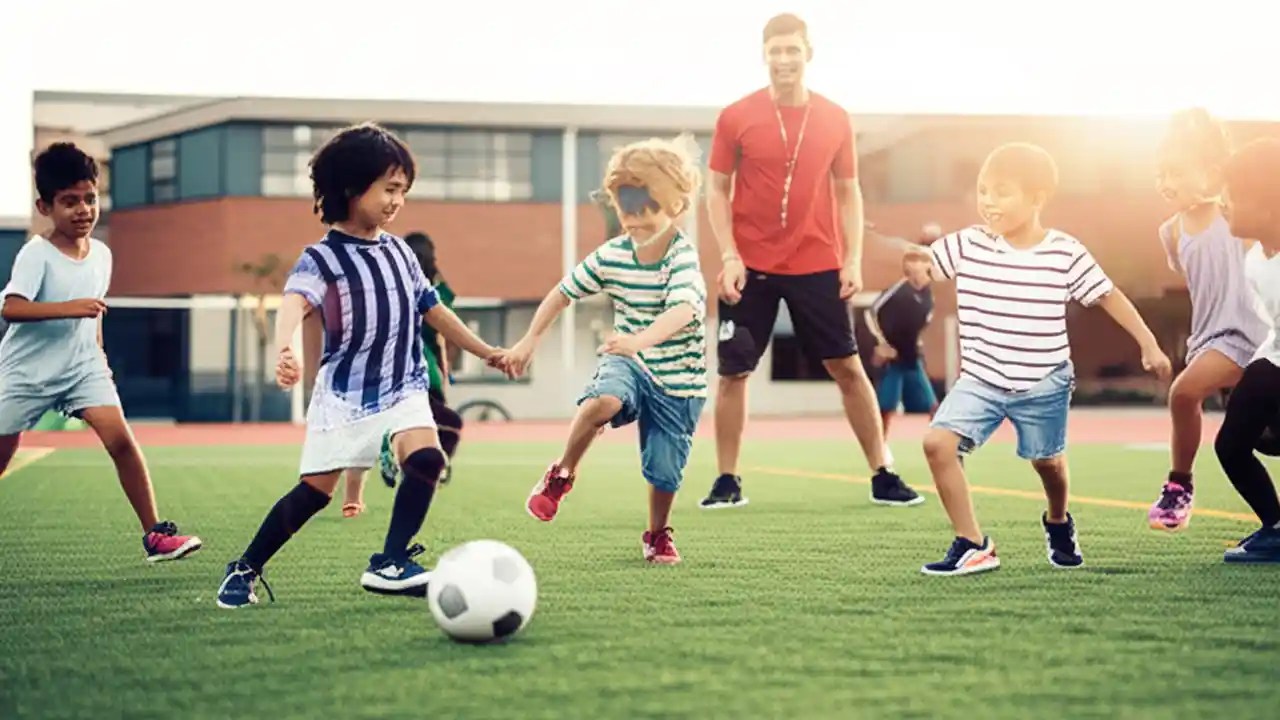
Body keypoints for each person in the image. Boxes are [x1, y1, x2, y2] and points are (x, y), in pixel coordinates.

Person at [215, 123, 508, 609]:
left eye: (404, 192)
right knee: (314, 494)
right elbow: (294, 302)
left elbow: (434, 311)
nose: (398, 201)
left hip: (405, 386)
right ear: (351, 187)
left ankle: (391, 562)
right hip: (345, 395)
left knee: (429, 460)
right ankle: (245, 567)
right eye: (389, 189)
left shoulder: (401, 254)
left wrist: (486, 351)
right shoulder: (322, 257)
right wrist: (283, 348)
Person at [915, 142, 1172, 577]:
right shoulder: (967, 244)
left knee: (1048, 464)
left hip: (1043, 383)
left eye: (1001, 192)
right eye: (982, 190)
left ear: (1037, 198)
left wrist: (1148, 343)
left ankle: (1058, 521)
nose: (988, 201)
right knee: (937, 444)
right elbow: (920, 263)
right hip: (981, 378)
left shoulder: (1063, 252)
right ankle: (973, 544)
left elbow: (1108, 296)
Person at [702, 12, 921, 510]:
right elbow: (715, 190)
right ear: (765, 56)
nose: (783, 60)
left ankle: (883, 472)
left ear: (808, 53)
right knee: (734, 372)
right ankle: (727, 480)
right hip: (750, 266)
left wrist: (853, 259)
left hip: (817, 263)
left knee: (847, 367)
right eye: (775, 51)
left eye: (792, 50)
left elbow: (849, 192)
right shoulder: (735, 117)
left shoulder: (835, 118)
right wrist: (729, 254)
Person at [500, 135, 706, 565]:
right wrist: (529, 339)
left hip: (678, 380)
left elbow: (685, 310)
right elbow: (561, 293)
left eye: (646, 212)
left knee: (666, 473)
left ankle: (656, 534)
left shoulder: (682, 258)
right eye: (625, 212)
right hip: (627, 361)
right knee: (604, 400)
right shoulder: (612, 255)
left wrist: (640, 339)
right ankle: (561, 473)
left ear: (676, 207)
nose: (633, 222)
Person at [0, 142, 201, 563]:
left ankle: (155, 535)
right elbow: (11, 307)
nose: (82, 210)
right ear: (44, 206)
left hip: (82, 368)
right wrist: (70, 308)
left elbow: (95, 316)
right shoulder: (37, 254)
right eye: (69, 201)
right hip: (25, 374)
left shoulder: (103, 255)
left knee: (122, 443)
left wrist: (98, 358)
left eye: (89, 199)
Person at [1146, 109, 1267, 532]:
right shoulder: (1171, 232)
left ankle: (1179, 486)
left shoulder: (1235, 217)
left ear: (1211, 174)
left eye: (1177, 172)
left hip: (1248, 335)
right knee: (1260, 439)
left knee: (1183, 393)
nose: (1166, 182)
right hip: (1210, 337)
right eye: (1161, 172)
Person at [329, 231, 466, 517]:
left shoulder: (384, 287)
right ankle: (417, 464)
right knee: (444, 425)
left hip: (379, 371)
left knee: (368, 430)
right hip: (417, 372)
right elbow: (440, 337)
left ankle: (356, 496)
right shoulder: (437, 294)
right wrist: (445, 373)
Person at [1213, 137, 1280, 563]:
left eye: (1233, 198)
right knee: (1231, 445)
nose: (1224, 205)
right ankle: (1275, 527)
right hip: (1273, 357)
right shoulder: (1254, 258)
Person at [865, 250, 938, 443]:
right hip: (893, 358)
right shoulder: (898, 291)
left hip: (911, 356)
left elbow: (920, 325)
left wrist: (915, 344)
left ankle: (945, 443)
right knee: (886, 405)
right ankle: (878, 444)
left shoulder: (928, 297)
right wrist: (882, 344)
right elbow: (871, 313)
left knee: (933, 406)